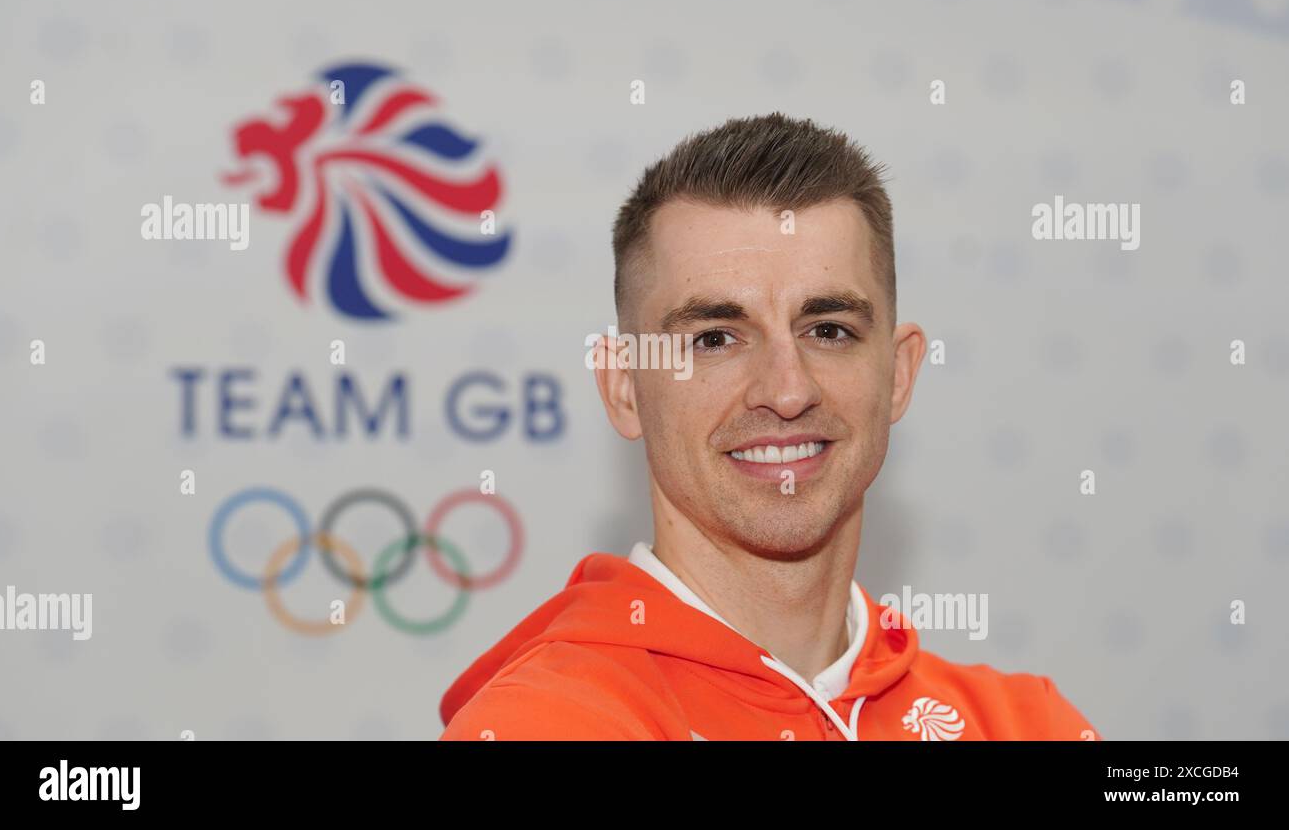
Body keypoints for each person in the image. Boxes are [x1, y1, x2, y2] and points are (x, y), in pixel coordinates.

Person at [439, 112, 1098, 740]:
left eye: (829, 330)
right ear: (623, 388)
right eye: (716, 338)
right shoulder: (547, 722)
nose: (787, 390)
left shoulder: (1025, 723)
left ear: (897, 373)